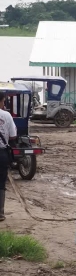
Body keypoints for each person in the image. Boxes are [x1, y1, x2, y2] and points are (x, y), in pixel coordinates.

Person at [0, 92, 17, 222]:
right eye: (4, 101)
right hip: (2, 154)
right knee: (1, 184)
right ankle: (0, 213)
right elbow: (12, 136)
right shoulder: (6, 115)